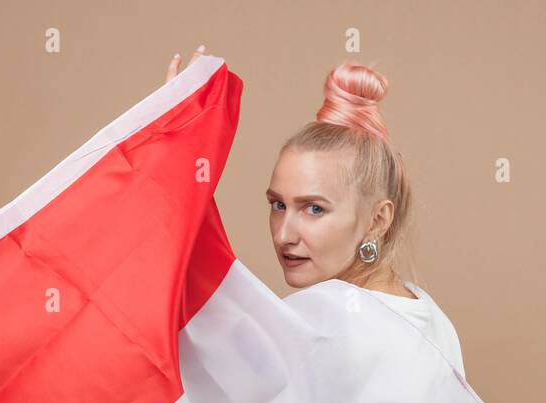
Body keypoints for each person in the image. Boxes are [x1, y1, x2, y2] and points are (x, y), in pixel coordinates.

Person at [166, 47, 466, 379]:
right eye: (279, 205)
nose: (284, 235)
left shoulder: (329, 325)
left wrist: (170, 164)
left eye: (314, 208)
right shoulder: (427, 314)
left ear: (377, 221)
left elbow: (217, 395)